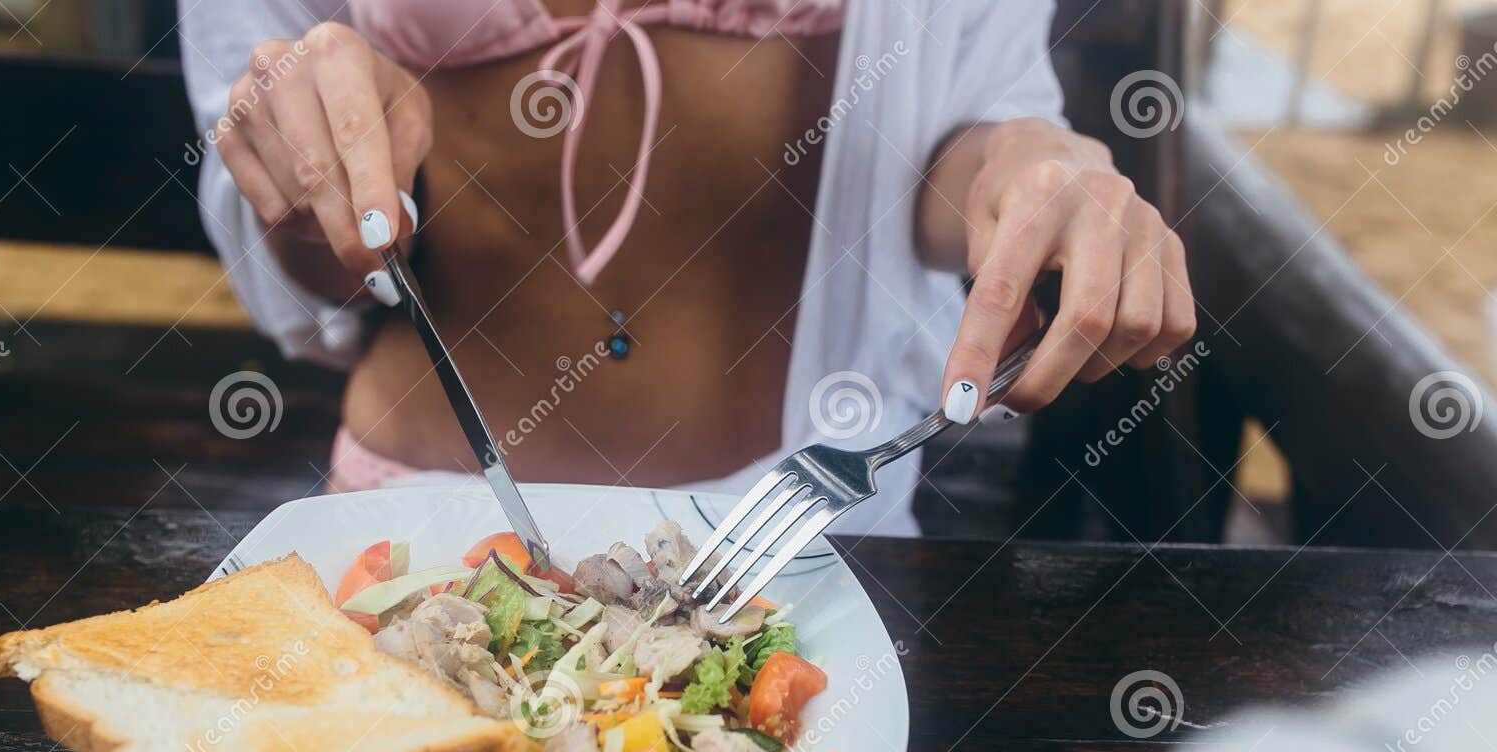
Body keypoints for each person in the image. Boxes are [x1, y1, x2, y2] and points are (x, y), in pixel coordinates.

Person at [181, 0, 1195, 536]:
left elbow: (951, 147)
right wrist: (306, 165)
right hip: (421, 518)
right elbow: (322, 248)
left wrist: (1034, 166)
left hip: (795, 537)